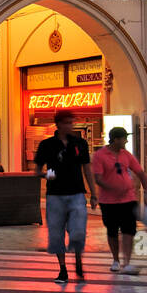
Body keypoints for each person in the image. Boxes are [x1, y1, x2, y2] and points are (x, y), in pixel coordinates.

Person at [34, 109, 98, 283]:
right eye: (68, 122)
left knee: (77, 231)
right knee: (56, 234)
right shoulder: (47, 145)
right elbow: (37, 171)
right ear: (59, 124)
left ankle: (78, 260)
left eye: (72, 122)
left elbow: (87, 168)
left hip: (77, 193)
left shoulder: (80, 143)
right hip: (55, 195)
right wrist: (46, 175)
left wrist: (93, 193)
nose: (71, 125)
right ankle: (63, 269)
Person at [92, 126, 147, 274]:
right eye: (124, 138)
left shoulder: (126, 154)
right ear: (116, 139)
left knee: (129, 230)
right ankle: (116, 259)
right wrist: (112, 188)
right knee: (112, 230)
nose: (126, 141)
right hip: (108, 201)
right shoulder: (100, 155)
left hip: (128, 199)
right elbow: (98, 178)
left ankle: (127, 261)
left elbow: (140, 172)